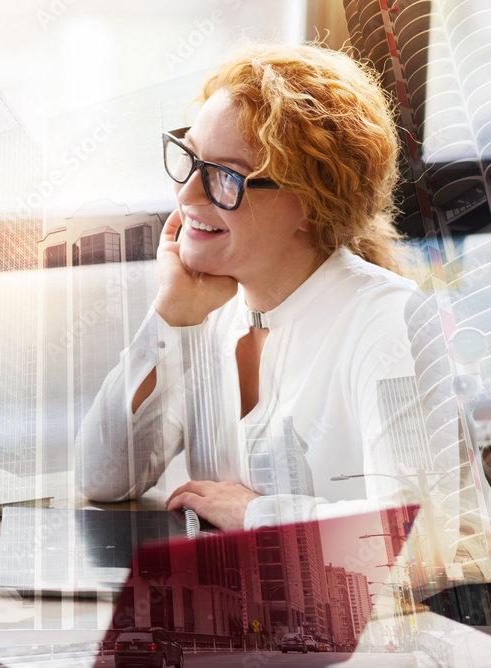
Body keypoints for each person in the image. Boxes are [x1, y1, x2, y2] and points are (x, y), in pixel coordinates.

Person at [75, 43, 463, 531]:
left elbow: (427, 534)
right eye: (190, 159)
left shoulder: (391, 322)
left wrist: (257, 514)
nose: (187, 193)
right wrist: (170, 317)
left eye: (225, 176)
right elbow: (102, 478)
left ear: (311, 204)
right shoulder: (208, 307)